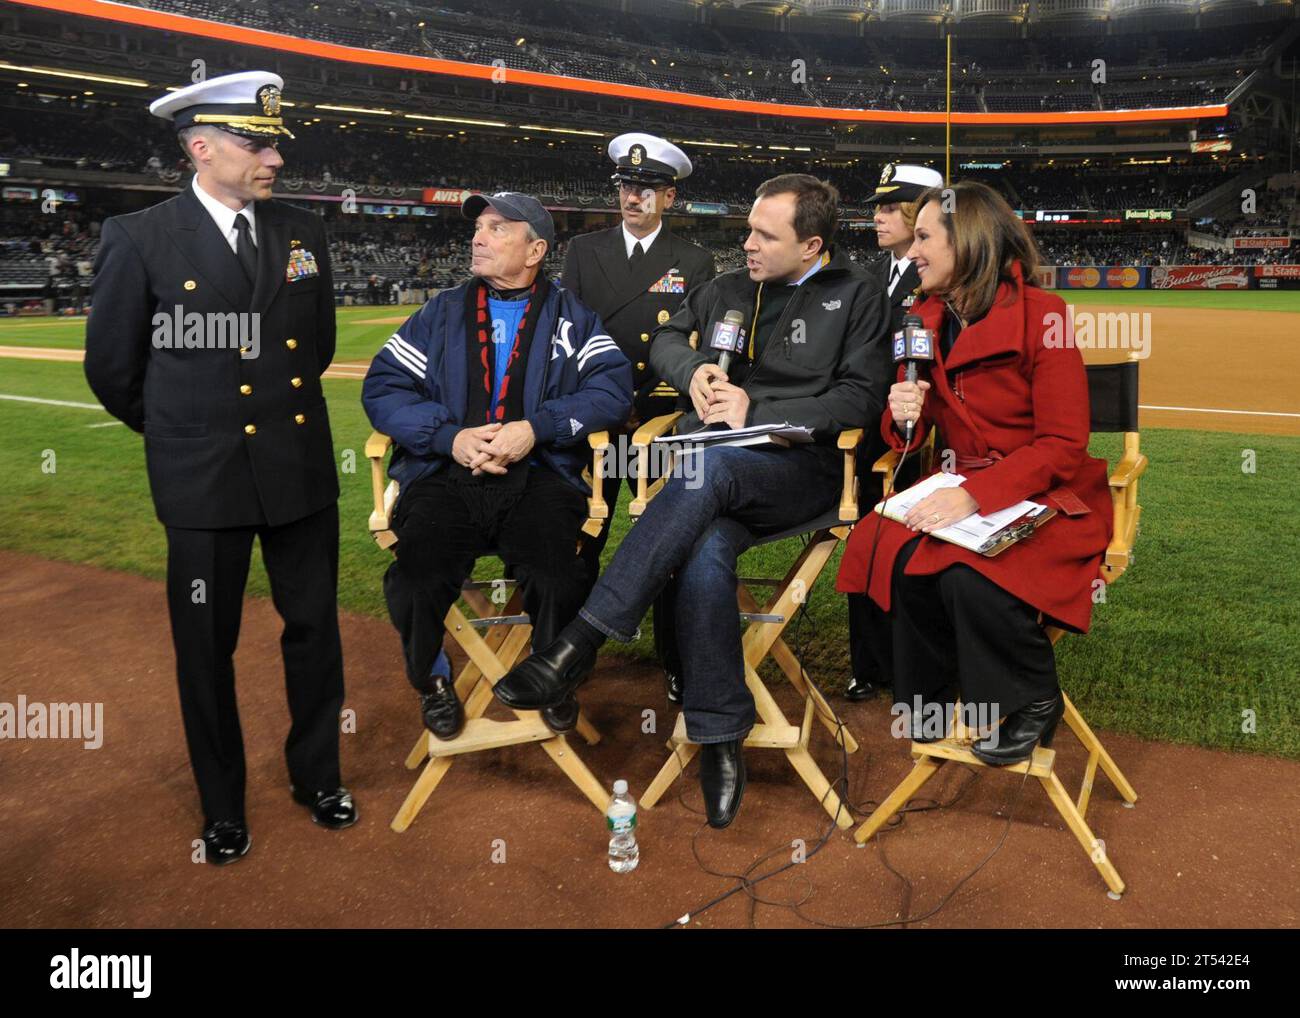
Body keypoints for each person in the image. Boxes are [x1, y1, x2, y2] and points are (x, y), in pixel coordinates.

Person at [492, 174, 891, 828]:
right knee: (704, 545)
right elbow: (668, 340)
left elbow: (860, 399)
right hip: (715, 471)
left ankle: (577, 643)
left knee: (707, 469)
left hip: (804, 470)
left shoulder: (858, 294)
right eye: (749, 229)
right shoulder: (728, 286)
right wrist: (695, 371)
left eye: (766, 235)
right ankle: (719, 732)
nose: (748, 243)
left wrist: (755, 408)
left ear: (812, 245)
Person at [84, 71, 354, 867]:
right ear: (201, 148)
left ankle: (319, 777)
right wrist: (188, 432)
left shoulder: (303, 230)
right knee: (206, 648)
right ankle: (223, 805)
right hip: (203, 481)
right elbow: (114, 368)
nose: (274, 158)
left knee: (315, 633)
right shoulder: (141, 236)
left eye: (275, 144)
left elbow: (317, 344)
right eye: (256, 143)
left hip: (297, 468)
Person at [835, 180, 1113, 765]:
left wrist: (977, 495)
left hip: (1046, 493)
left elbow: (1064, 444)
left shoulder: (1045, 315)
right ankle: (930, 701)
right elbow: (907, 436)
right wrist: (901, 414)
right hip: (957, 484)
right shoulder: (921, 320)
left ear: (968, 240)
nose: (912, 251)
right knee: (892, 551)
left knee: (967, 575)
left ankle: (1036, 697)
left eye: (924, 238)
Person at [362, 192, 633, 741]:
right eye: (478, 228)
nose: (478, 238)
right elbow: (385, 387)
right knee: (415, 578)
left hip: (540, 474)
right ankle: (433, 679)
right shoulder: (440, 312)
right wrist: (449, 437)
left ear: (535, 250)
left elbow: (611, 390)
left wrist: (537, 428)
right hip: (444, 475)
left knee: (561, 573)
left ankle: (553, 675)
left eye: (496, 228)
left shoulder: (574, 317)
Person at [561, 132, 716, 705]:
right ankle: (572, 655)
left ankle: (676, 660)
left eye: (647, 188)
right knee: (582, 534)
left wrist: (648, 395)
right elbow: (568, 336)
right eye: (627, 186)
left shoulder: (694, 261)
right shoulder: (583, 251)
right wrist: (605, 397)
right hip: (595, 418)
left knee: (670, 543)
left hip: (661, 420)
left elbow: (694, 346)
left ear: (669, 198)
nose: (633, 197)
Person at [844, 163, 944, 703]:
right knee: (868, 540)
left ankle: (910, 666)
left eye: (888, 208)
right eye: (876, 208)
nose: (877, 217)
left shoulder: (939, 278)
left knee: (905, 549)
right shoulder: (869, 274)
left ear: (915, 211)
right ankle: (870, 663)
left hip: (915, 439)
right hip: (866, 432)